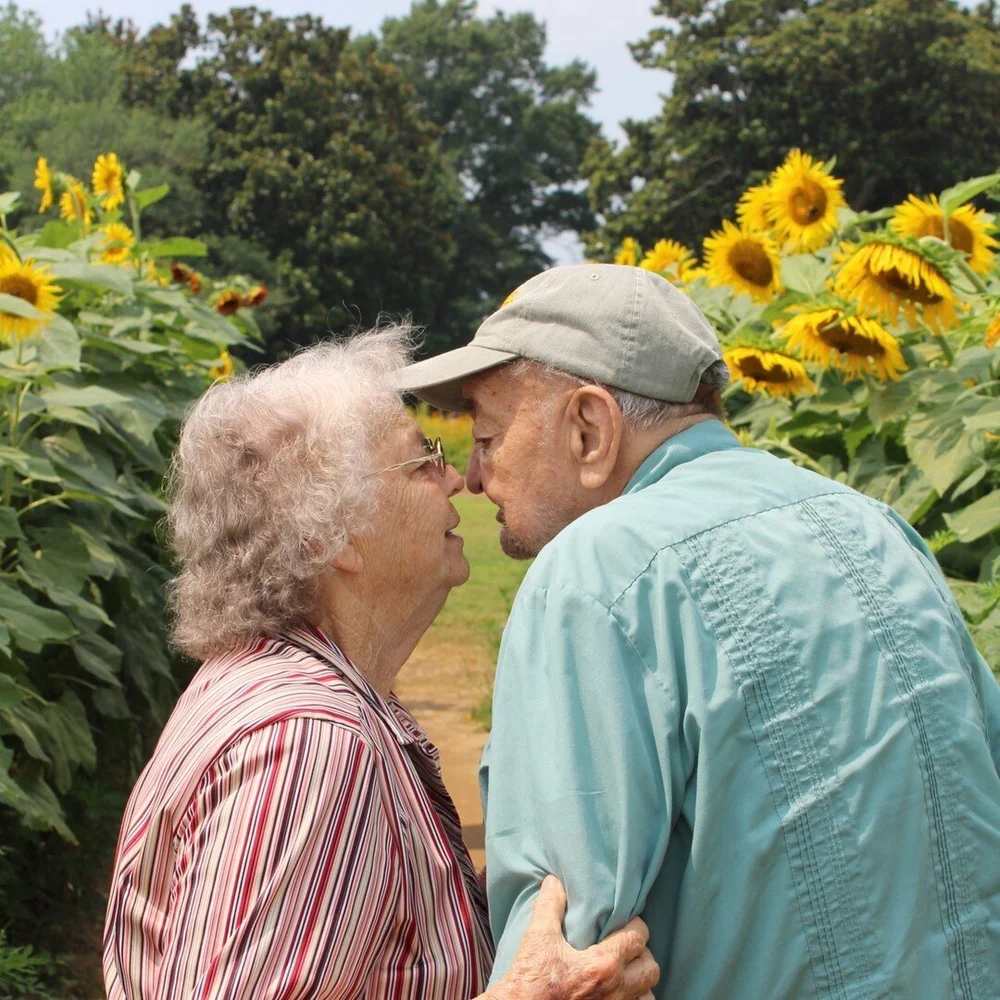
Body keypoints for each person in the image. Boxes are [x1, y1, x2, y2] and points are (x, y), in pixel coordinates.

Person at [397, 263, 1000, 998]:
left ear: (590, 429)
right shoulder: (873, 525)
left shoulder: (597, 572)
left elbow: (571, 950)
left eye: (489, 435)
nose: (474, 474)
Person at [103, 330, 660, 1000]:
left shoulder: (288, 689)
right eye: (423, 462)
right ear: (330, 536)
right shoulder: (309, 741)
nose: (460, 478)